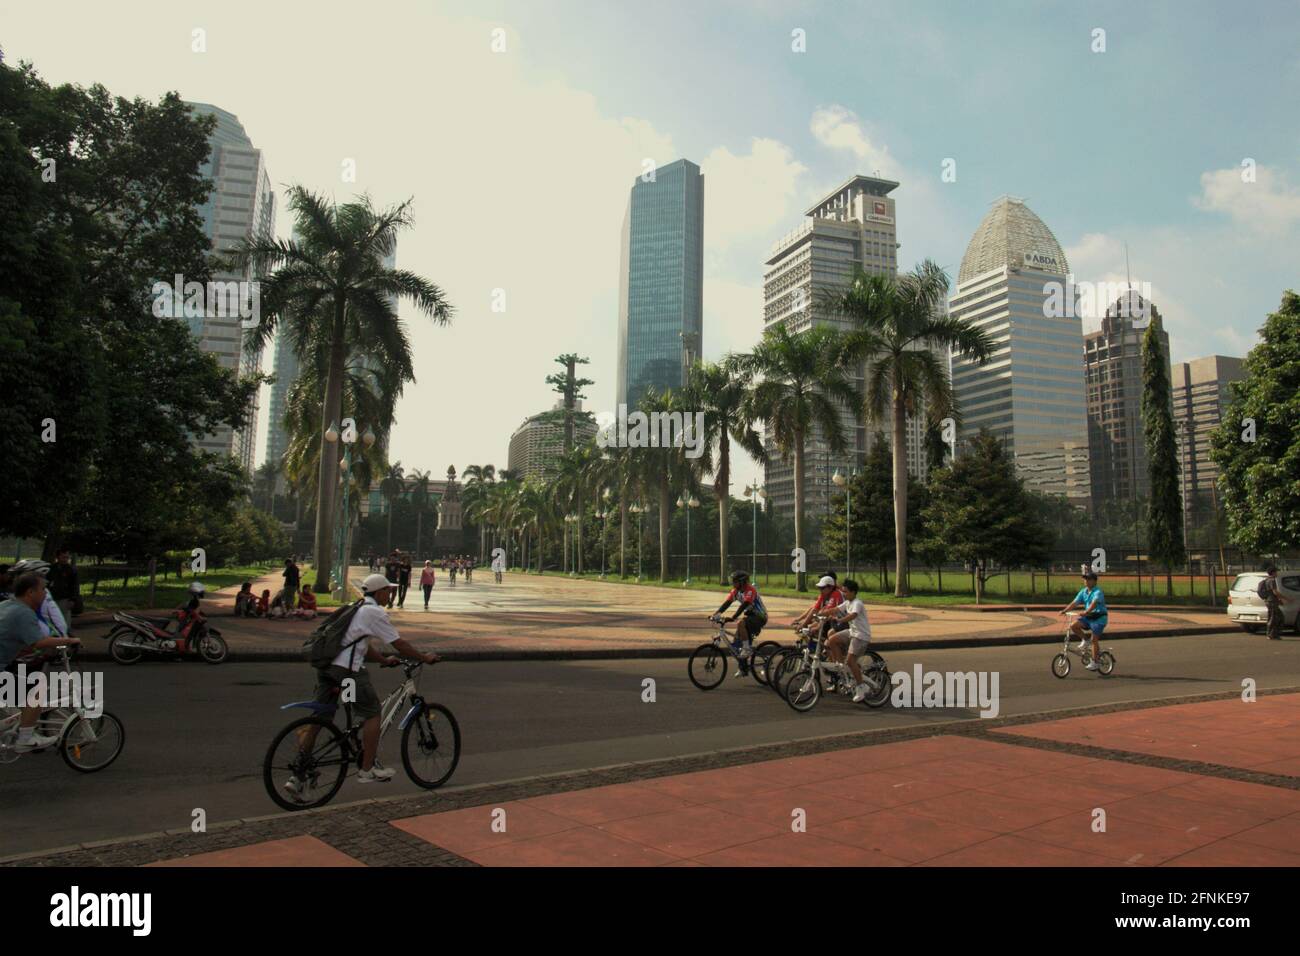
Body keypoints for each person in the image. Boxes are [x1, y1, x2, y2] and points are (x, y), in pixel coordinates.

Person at [289, 573, 440, 792]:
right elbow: (400, 644)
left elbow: (359, 643)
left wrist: (383, 660)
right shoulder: (375, 612)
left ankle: (298, 772)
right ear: (379, 592)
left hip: (328, 669)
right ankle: (367, 769)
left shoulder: (356, 607)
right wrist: (424, 657)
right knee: (372, 713)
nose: (391, 594)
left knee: (320, 719)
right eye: (388, 590)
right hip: (348, 673)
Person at [0, 571, 81, 752]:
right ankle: (25, 738)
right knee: (38, 689)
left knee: (23, 686)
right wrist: (69, 640)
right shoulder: (24, 613)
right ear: (30, 592)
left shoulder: (7, 605)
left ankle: (21, 724)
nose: (45, 594)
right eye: (43, 589)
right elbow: (39, 641)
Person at [823, 579, 874, 702]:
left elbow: (853, 615)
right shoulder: (847, 603)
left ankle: (862, 687)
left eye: (845, 592)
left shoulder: (857, 603)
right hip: (852, 633)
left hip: (861, 636)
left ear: (853, 592)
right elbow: (835, 609)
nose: (843, 594)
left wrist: (840, 620)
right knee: (831, 640)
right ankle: (842, 668)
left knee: (851, 661)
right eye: (842, 591)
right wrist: (821, 613)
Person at [712, 570, 768, 678]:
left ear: (742, 582)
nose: (733, 584)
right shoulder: (736, 591)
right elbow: (727, 603)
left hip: (760, 617)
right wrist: (716, 614)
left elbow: (744, 605)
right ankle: (743, 669)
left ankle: (747, 649)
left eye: (735, 582)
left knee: (741, 623)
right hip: (750, 616)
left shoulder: (750, 590)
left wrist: (733, 617)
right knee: (736, 645)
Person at [1061, 570, 1108, 670]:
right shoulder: (1083, 592)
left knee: (1094, 640)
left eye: (1089, 579)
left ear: (1095, 581)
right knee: (1074, 626)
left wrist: (1086, 611)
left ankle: (1095, 662)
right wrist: (1064, 610)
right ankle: (1085, 640)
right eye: (1085, 579)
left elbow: (1094, 603)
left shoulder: (1098, 592)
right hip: (1089, 617)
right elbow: (1075, 603)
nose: (1086, 581)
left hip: (1099, 618)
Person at [47, 549, 81, 633]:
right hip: (52, 597)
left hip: (65, 598)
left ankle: (65, 635)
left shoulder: (71, 569)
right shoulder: (51, 569)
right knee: (52, 618)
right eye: (63, 557)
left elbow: (75, 586)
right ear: (58, 557)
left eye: (67, 557)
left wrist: (73, 599)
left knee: (64, 619)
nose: (65, 559)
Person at [1261, 565, 1293, 641]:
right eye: (1276, 572)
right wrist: (1286, 598)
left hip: (1270, 601)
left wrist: (1279, 600)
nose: (1277, 573)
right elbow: (1275, 592)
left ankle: (1273, 634)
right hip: (1272, 602)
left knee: (1276, 617)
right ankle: (1271, 634)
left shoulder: (1266, 580)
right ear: (1273, 572)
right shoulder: (1272, 580)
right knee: (1274, 618)